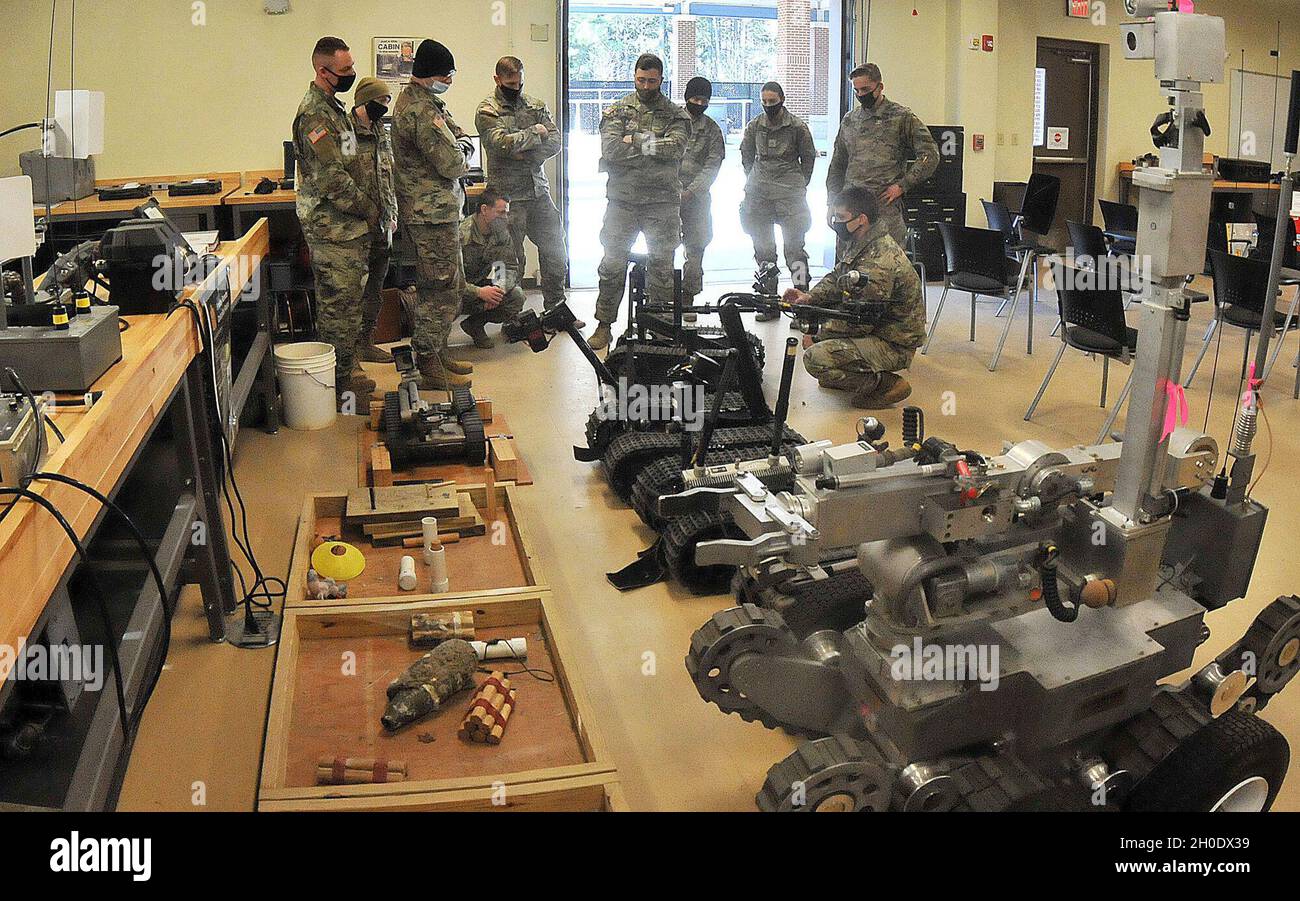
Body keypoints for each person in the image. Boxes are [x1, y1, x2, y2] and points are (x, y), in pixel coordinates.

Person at [292, 36, 379, 403]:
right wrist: (368, 208)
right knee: (337, 308)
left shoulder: (335, 109)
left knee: (348, 304)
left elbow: (350, 159)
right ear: (322, 70)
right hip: (333, 228)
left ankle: (346, 369)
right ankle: (339, 385)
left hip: (348, 227)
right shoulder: (315, 115)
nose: (351, 74)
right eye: (345, 70)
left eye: (351, 66)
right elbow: (333, 181)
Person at [785, 187, 926, 409]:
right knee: (824, 336)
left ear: (862, 219)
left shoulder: (878, 261)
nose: (835, 223)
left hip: (894, 342)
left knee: (815, 358)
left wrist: (818, 334)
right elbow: (838, 277)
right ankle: (851, 373)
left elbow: (861, 321)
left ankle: (886, 385)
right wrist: (809, 298)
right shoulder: (862, 240)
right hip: (878, 328)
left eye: (841, 217)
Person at [589, 53, 691, 350]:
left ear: (661, 80)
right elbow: (610, 150)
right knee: (612, 264)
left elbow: (675, 149)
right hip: (623, 202)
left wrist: (633, 139)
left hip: (662, 203)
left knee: (661, 267)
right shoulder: (618, 110)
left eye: (652, 81)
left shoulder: (676, 114)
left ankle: (659, 330)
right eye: (641, 80)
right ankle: (604, 324)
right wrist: (653, 147)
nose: (646, 86)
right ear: (634, 77)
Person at [392, 38, 475, 389]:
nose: (450, 81)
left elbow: (459, 137)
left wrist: (461, 144)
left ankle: (438, 351)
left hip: (436, 212)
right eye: (447, 75)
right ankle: (427, 359)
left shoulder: (426, 102)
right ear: (430, 74)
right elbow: (453, 162)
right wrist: (464, 148)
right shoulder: (421, 111)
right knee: (441, 289)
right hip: (431, 214)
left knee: (448, 284)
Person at [475, 57, 581, 328]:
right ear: (497, 79)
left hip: (538, 192)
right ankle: (510, 318)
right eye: (510, 83)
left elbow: (555, 141)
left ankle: (556, 311)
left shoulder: (535, 105)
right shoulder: (488, 110)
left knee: (555, 250)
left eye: (519, 82)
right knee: (509, 260)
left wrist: (525, 153)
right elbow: (500, 144)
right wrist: (535, 131)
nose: (516, 87)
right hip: (506, 198)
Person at [826, 63, 939, 248]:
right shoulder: (850, 120)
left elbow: (930, 154)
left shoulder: (901, 117)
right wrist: (832, 202)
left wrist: (902, 185)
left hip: (884, 207)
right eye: (856, 90)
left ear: (879, 87)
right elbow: (837, 165)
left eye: (865, 89)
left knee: (887, 261)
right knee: (849, 261)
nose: (861, 95)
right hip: (851, 210)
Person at [740, 82, 817, 322]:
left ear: (782, 99)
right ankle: (769, 303)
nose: (768, 105)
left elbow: (808, 158)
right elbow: (746, 156)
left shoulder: (797, 127)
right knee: (764, 253)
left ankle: (800, 305)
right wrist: (756, 179)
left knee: (795, 253)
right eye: (764, 101)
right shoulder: (755, 126)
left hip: (790, 197)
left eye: (772, 101)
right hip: (759, 197)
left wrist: (797, 183)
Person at [350, 76, 399, 365]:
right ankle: (349, 352)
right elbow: (341, 177)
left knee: (375, 288)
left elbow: (388, 177)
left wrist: (392, 214)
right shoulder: (345, 132)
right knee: (353, 290)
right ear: (364, 101)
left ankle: (366, 342)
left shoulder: (382, 131)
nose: (384, 106)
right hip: (355, 224)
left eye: (387, 101)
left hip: (382, 223)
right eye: (381, 100)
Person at [678, 76, 725, 314]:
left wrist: (691, 191)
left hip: (696, 199)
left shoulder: (712, 129)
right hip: (666, 196)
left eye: (704, 100)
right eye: (695, 99)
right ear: (687, 97)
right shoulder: (671, 121)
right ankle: (661, 300)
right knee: (661, 249)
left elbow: (713, 164)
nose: (699, 104)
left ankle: (688, 298)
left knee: (696, 249)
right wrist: (672, 189)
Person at [458, 189, 526, 348]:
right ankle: (436, 348)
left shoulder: (500, 233)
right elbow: (450, 278)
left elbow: (506, 265)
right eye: (501, 212)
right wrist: (479, 292)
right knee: (444, 304)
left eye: (506, 213)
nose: (505, 218)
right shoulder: (461, 234)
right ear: (484, 210)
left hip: (480, 286)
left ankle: (474, 324)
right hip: (457, 291)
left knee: (516, 297)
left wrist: (497, 290)